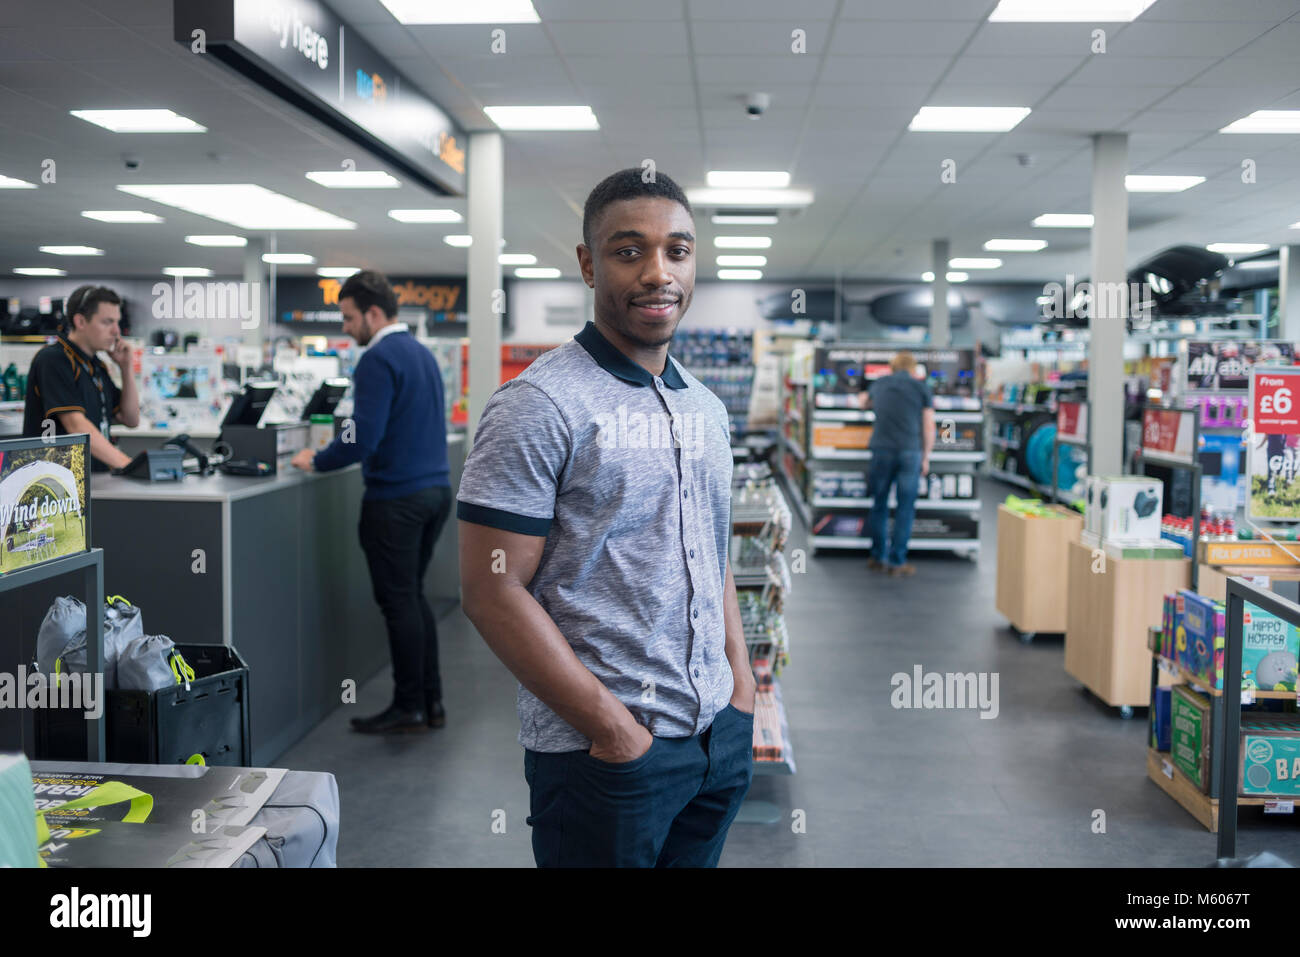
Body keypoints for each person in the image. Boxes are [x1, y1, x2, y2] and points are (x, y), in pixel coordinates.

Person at [456, 168, 756, 868]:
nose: (659, 272)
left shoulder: (705, 409)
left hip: (716, 737)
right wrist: (615, 729)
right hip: (605, 758)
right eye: (630, 251)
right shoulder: (538, 405)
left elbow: (711, 556)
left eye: (677, 250)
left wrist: (739, 684)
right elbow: (490, 589)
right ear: (589, 263)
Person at [290, 270, 451, 734]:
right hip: (435, 491)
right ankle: (430, 700)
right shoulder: (421, 354)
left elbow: (362, 436)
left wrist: (317, 460)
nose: (344, 327)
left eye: (347, 317)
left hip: (395, 499)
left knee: (399, 602)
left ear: (373, 313)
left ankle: (409, 706)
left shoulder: (377, 358)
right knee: (413, 598)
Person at [23, 285, 140, 471]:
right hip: (57, 486)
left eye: (117, 322)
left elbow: (131, 418)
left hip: (95, 479)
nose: (116, 331)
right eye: (107, 322)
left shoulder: (96, 366)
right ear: (81, 321)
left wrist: (126, 368)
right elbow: (76, 425)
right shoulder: (54, 359)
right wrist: (130, 466)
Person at [858, 350, 934, 577]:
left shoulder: (880, 383)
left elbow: (863, 403)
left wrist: (865, 398)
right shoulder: (921, 388)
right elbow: (929, 426)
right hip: (910, 452)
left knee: (879, 503)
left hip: (881, 450)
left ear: (892, 367)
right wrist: (926, 456)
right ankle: (897, 562)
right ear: (913, 369)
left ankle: (878, 557)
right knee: (905, 507)